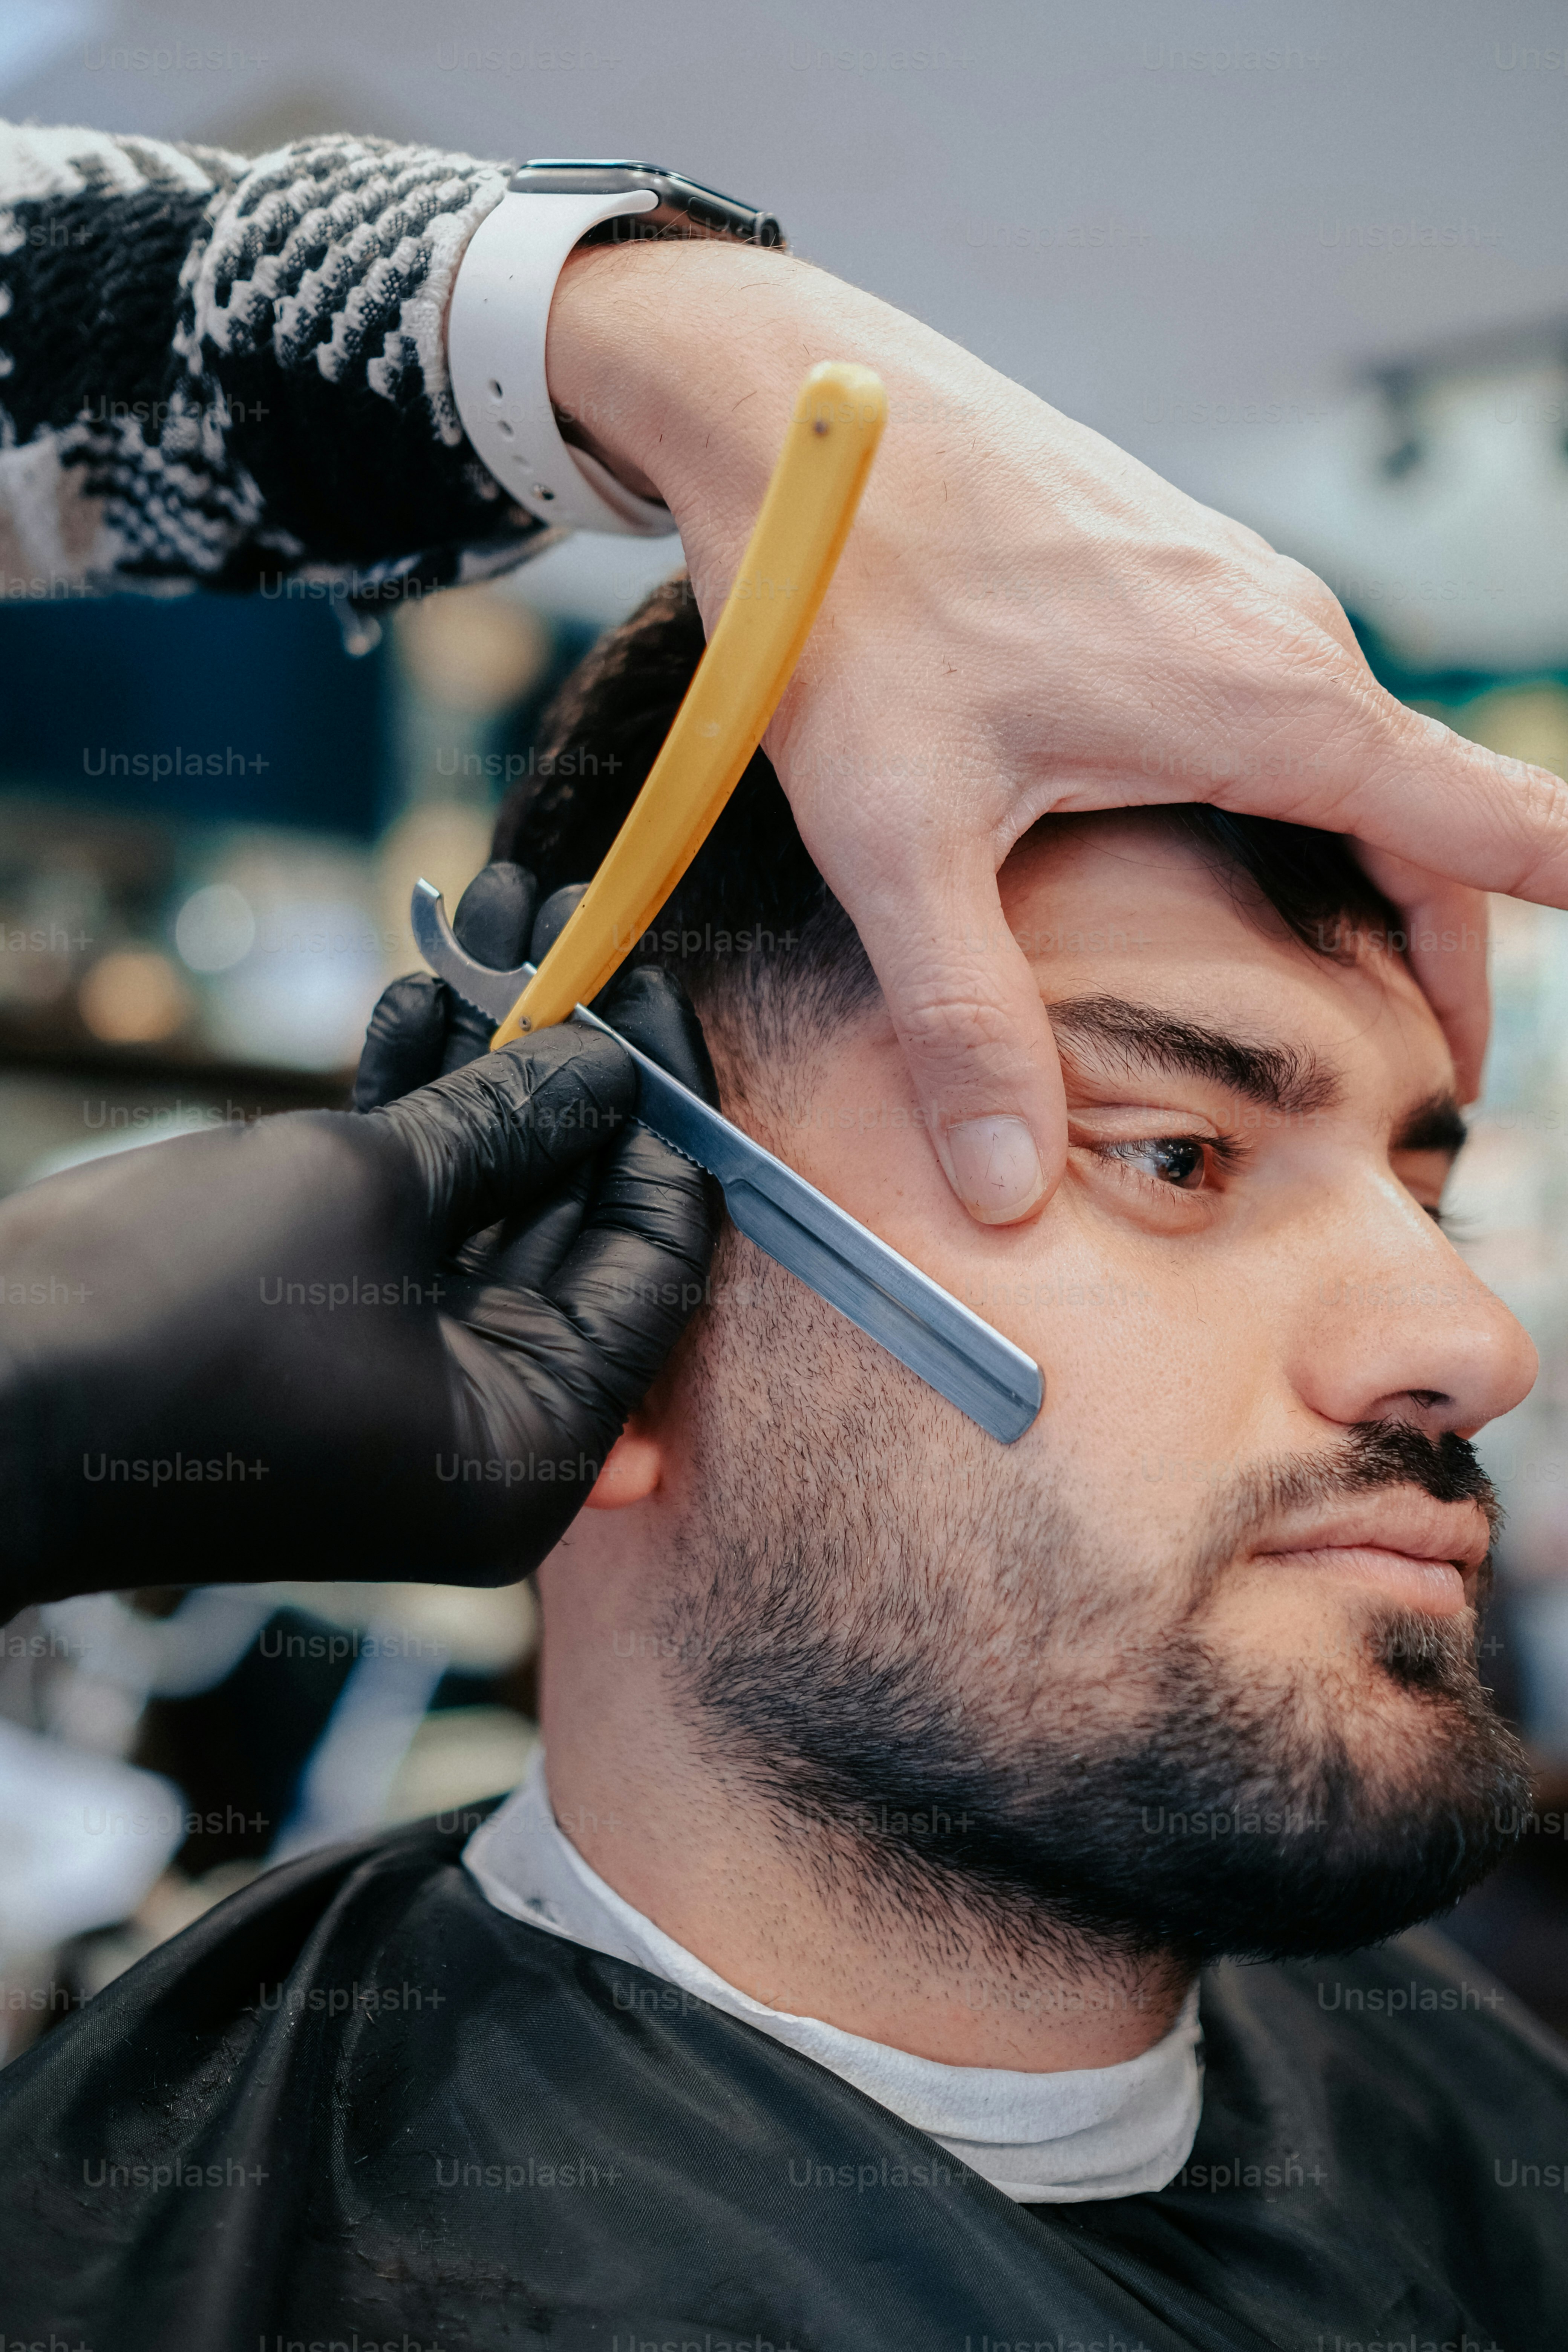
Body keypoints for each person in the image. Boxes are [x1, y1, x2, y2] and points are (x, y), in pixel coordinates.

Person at [2, 582, 1563, 2350]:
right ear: (591, 1274)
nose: (1471, 1343)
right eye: (1176, 1153)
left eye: (1422, 1198)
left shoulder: (1463, 2111)